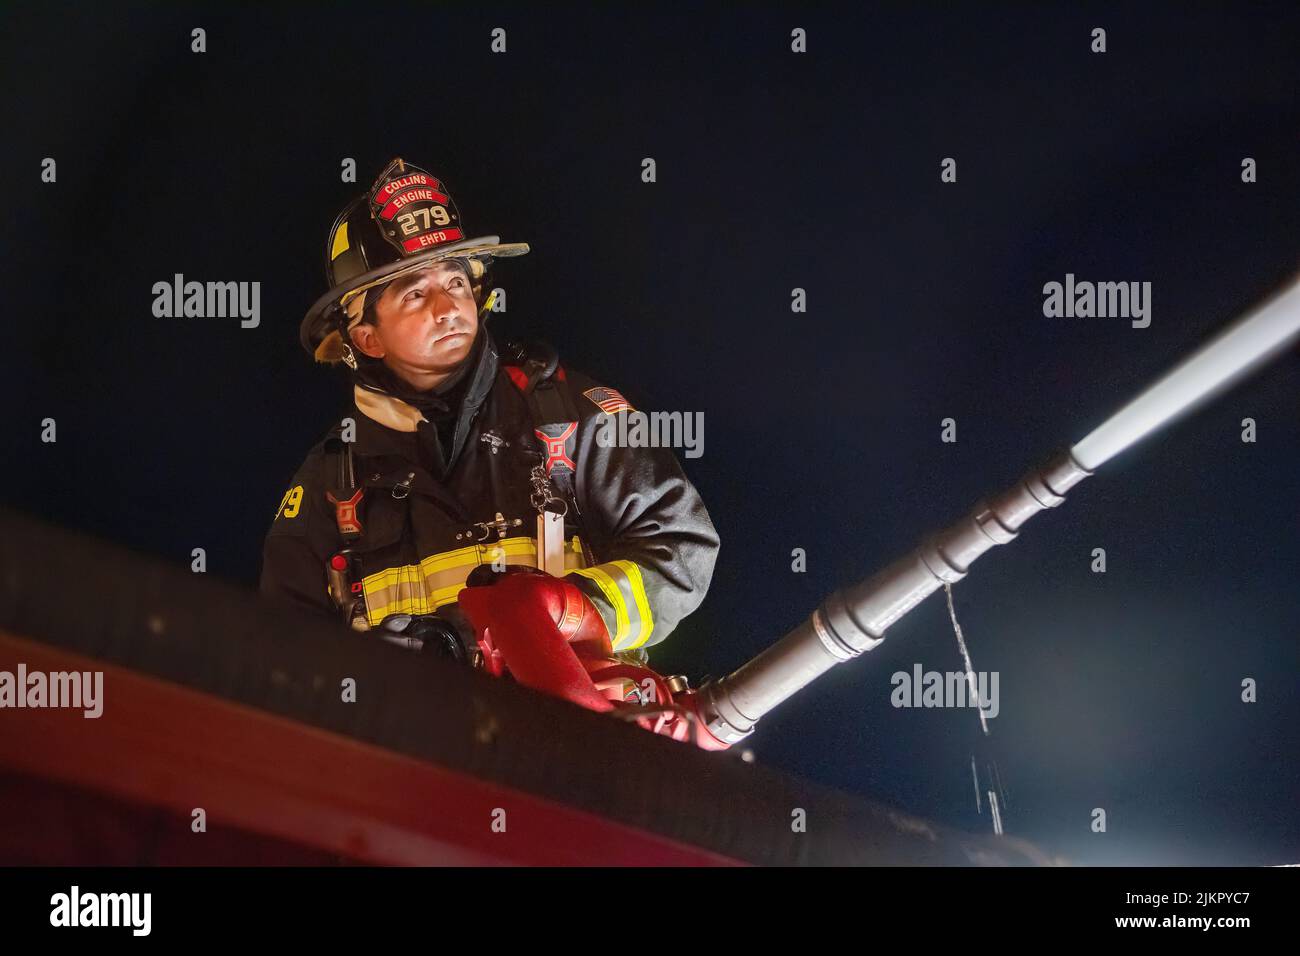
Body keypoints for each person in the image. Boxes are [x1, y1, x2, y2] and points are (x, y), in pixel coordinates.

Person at [259, 157, 719, 689]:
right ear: (367, 337)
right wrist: (367, 674)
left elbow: (683, 549)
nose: (447, 308)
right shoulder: (326, 487)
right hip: (418, 760)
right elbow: (285, 660)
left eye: (455, 282)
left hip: (582, 744)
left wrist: (568, 612)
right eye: (414, 293)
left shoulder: (575, 415)